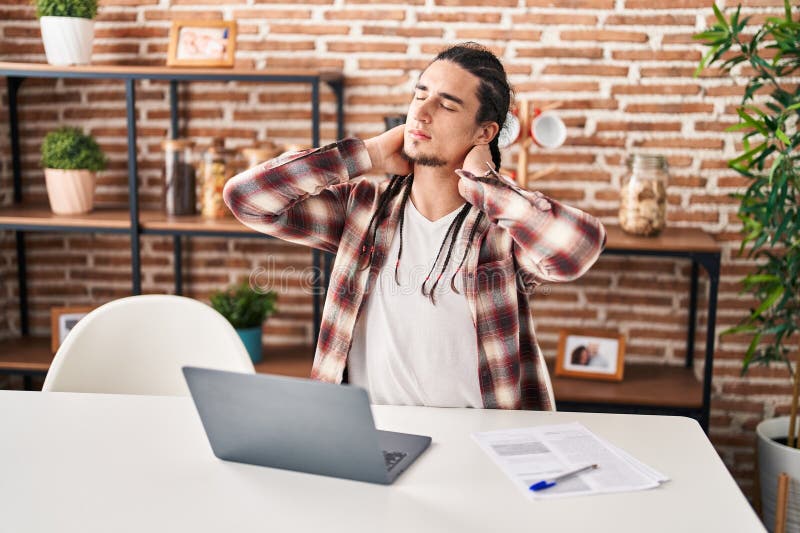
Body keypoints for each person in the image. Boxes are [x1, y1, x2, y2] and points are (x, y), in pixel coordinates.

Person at [223, 42, 606, 410]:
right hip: (373, 433)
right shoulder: (361, 210)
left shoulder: (502, 226)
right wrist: (368, 154)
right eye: (420, 95)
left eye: (447, 105)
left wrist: (483, 182)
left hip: (482, 439)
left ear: (484, 133)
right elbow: (248, 199)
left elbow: (576, 250)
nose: (422, 113)